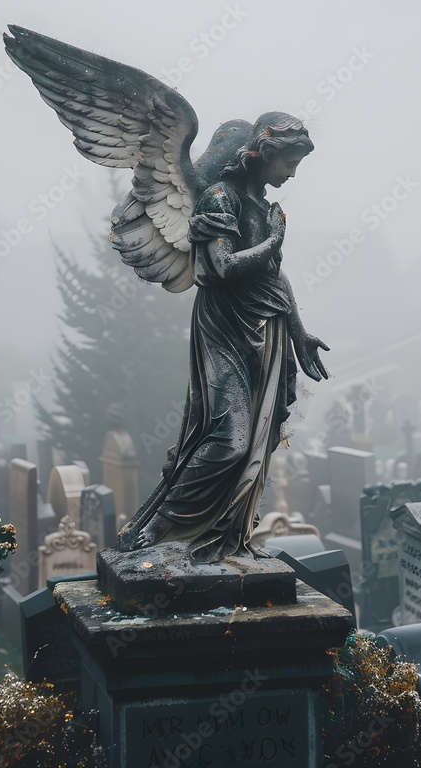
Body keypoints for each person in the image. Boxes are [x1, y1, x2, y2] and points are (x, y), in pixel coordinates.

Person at [119, 112, 330, 562]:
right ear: (267, 152)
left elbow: (275, 277)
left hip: (267, 327)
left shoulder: (261, 203)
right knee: (230, 439)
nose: (292, 172)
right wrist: (273, 241)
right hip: (226, 326)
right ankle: (161, 528)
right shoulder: (220, 197)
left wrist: (299, 334)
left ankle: (227, 533)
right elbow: (221, 268)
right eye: (289, 161)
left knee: (256, 438)